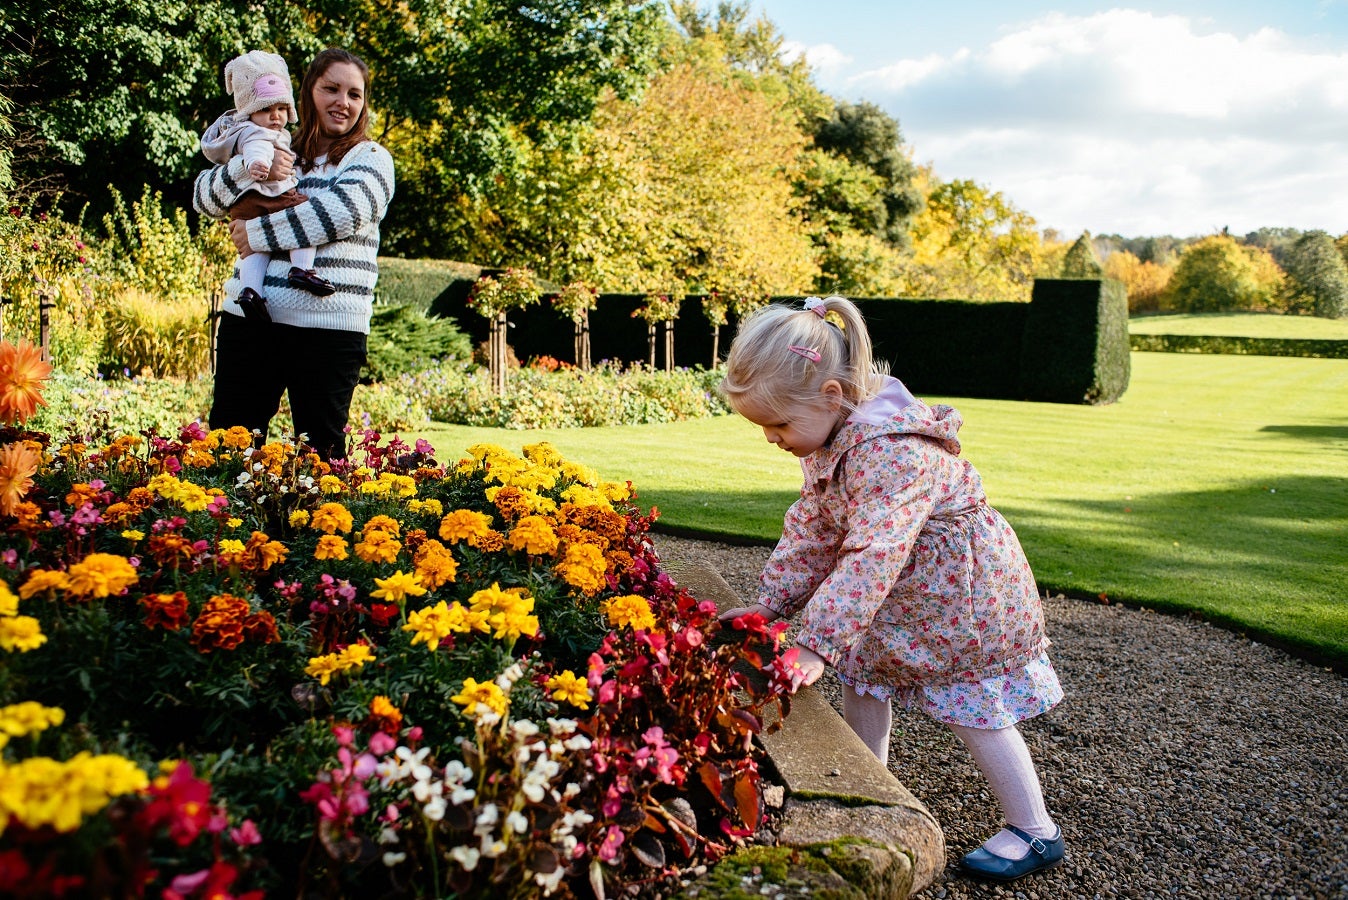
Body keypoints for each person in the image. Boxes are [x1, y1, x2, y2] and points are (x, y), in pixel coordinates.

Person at [717, 295, 1066, 883]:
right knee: (865, 679)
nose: (772, 439)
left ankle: (1035, 829)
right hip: (899, 594)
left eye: (778, 424)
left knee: (974, 704)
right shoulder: (835, 437)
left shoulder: (893, 453)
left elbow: (874, 552)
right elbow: (813, 531)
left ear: (831, 395)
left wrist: (818, 642)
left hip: (959, 598)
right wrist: (772, 606)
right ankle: (866, 794)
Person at [193, 48, 395, 460]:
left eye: (355, 94)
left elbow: (339, 214)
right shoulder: (271, 146)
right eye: (331, 89)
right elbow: (203, 197)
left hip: (328, 330)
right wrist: (248, 167)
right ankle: (220, 525)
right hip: (249, 323)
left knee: (321, 457)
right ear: (307, 93)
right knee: (226, 452)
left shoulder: (370, 159)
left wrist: (254, 233)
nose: (343, 102)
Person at [200, 50, 336, 321]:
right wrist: (257, 168)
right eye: (266, 109)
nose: (275, 116)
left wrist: (252, 233)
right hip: (270, 196)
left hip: (246, 208)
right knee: (302, 214)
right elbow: (255, 151)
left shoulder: (256, 130)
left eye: (281, 109)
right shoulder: (256, 132)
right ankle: (302, 268)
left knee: (253, 248)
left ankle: (250, 291)